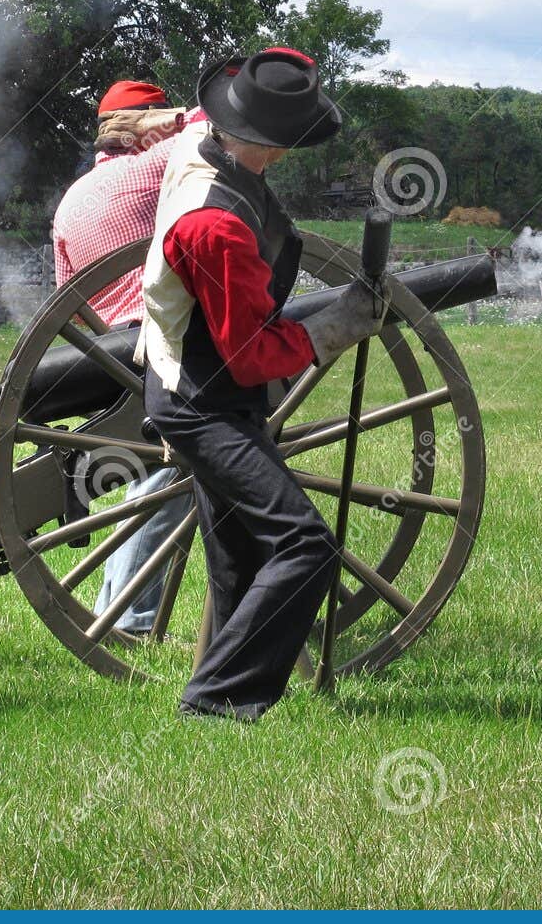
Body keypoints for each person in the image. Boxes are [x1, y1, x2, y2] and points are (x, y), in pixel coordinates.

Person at [139, 49, 388, 720]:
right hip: (201, 399)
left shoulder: (200, 143)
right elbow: (248, 356)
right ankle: (218, 701)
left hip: (202, 386)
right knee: (306, 546)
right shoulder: (213, 223)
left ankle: (214, 699)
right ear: (279, 145)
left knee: (239, 562)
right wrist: (332, 329)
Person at [52, 79, 197, 635]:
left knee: (147, 478)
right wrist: (175, 122)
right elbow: (221, 122)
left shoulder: (71, 200)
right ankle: (131, 622)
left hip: (112, 354)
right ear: (148, 126)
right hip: (160, 347)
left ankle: (118, 607)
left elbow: (69, 301)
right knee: (167, 473)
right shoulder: (153, 165)